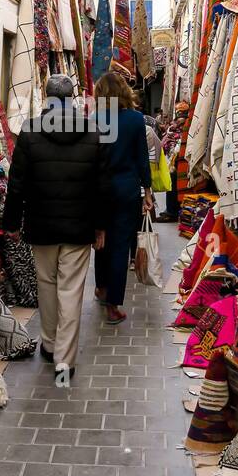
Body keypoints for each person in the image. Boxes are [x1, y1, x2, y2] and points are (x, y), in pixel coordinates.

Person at [1, 75, 107, 381]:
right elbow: (102, 186)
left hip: (41, 225)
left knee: (46, 284)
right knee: (71, 290)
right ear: (72, 98)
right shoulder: (93, 131)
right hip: (79, 226)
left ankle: (48, 343)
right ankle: (65, 359)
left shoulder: (31, 131)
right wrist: (100, 227)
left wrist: (11, 223)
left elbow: (16, 184)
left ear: (47, 98)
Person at [92, 71, 153, 324]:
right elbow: (142, 158)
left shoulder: (94, 119)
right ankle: (113, 305)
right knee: (119, 246)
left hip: (99, 190)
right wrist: (147, 191)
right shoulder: (136, 120)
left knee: (101, 239)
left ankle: (102, 288)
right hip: (126, 189)